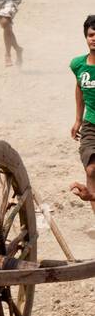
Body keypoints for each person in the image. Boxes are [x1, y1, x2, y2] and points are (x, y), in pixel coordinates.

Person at [69, 15, 95, 217]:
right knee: (91, 170)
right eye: (91, 35)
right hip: (90, 124)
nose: (94, 39)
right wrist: (78, 119)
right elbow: (79, 88)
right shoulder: (78, 64)